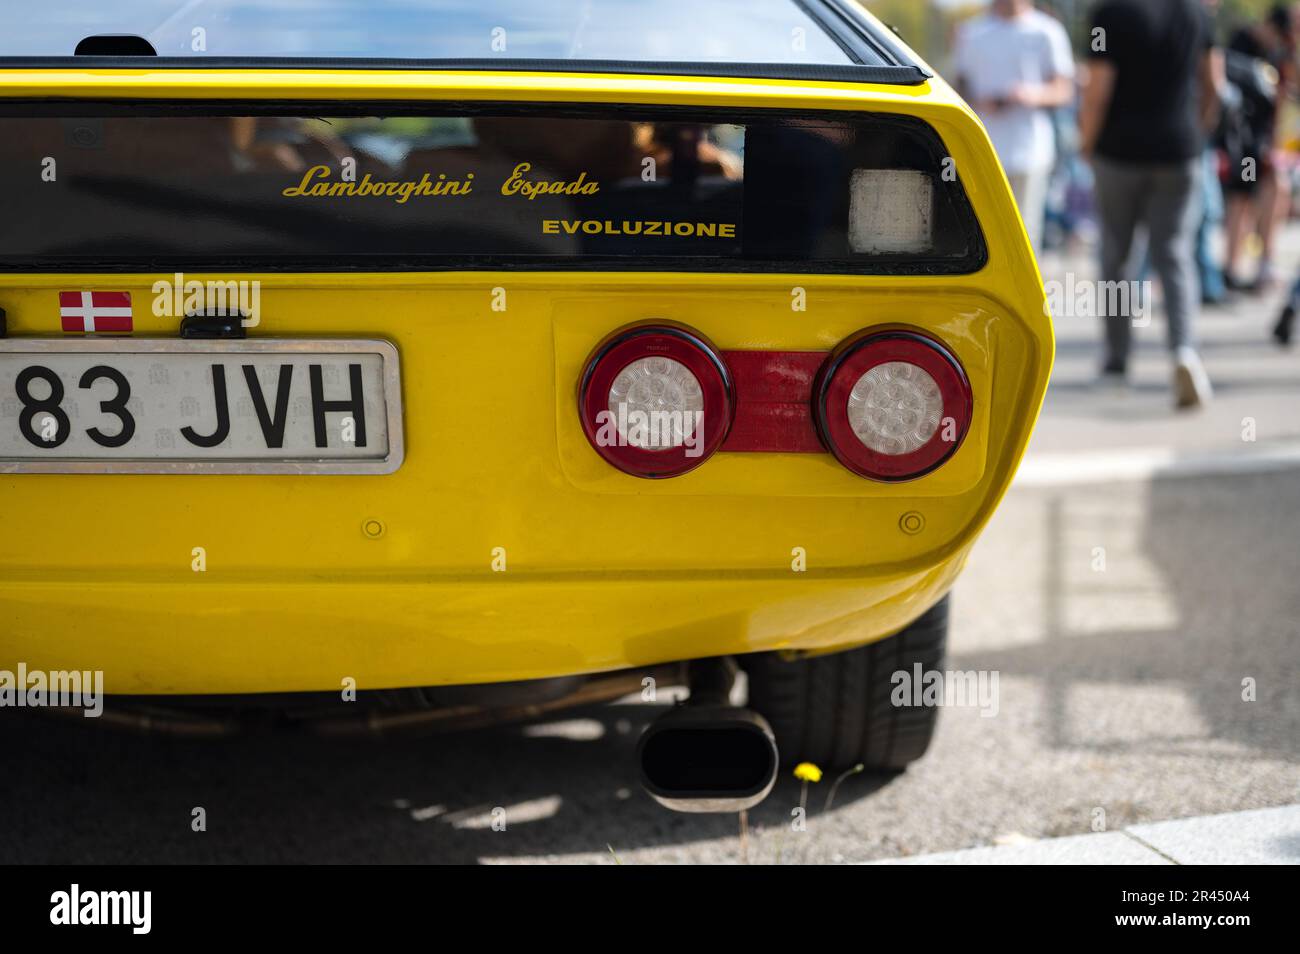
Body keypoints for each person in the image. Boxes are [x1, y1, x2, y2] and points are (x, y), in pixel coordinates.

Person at [1080, 0, 1221, 409]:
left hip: (1119, 153)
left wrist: (1087, 143)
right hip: (1179, 151)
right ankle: (1183, 351)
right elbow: (1214, 83)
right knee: (1175, 255)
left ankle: (1117, 363)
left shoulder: (1110, 13)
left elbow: (1097, 90)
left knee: (1116, 258)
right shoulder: (1195, 12)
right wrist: (1196, 133)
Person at [952, 0, 1075, 252]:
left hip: (1030, 149)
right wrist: (979, 102)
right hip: (981, 149)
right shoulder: (971, 31)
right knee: (981, 236)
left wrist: (1032, 95)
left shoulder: (1047, 31)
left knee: (1025, 236)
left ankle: (1023, 292)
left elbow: (1064, 89)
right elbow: (959, 86)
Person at [1221, 4, 1297, 292]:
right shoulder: (1241, 42)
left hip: (1264, 144)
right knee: (1242, 198)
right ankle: (1231, 267)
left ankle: (1262, 264)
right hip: (1241, 141)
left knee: (1273, 191)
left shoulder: (1280, 52)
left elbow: (1285, 96)